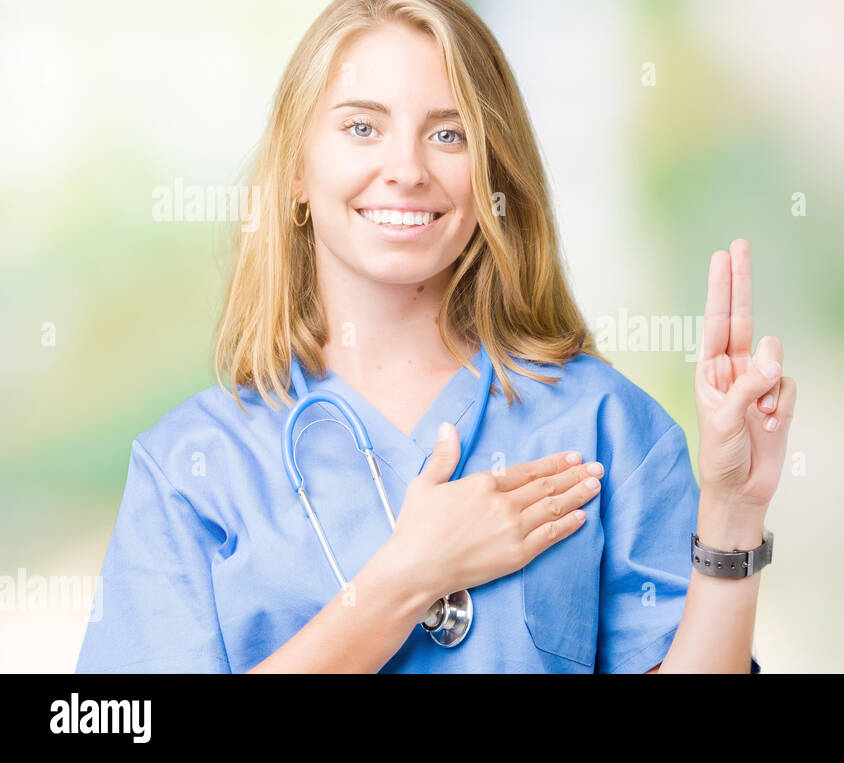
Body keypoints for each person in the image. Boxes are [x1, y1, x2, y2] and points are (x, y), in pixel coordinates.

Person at [75, 0, 796, 674]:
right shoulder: (193, 468)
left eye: (448, 134)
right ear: (296, 168)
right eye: (363, 127)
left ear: (492, 170)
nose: (408, 170)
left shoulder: (604, 427)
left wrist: (733, 514)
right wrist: (409, 576)